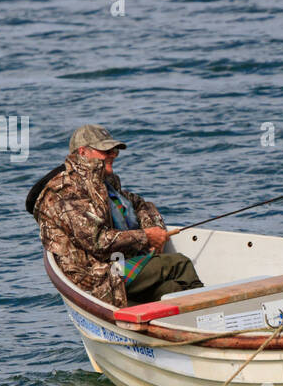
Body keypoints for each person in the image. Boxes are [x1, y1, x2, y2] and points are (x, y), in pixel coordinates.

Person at [33, 124, 201, 306]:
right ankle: (208, 315)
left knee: (173, 289)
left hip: (119, 264)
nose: (113, 154)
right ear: (83, 152)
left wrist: (155, 232)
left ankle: (196, 325)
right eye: (106, 150)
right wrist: (146, 237)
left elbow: (140, 205)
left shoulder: (105, 183)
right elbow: (97, 241)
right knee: (179, 264)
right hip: (95, 277)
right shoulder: (64, 192)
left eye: (114, 150)